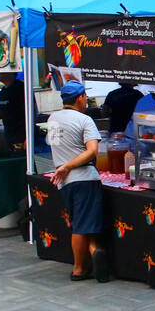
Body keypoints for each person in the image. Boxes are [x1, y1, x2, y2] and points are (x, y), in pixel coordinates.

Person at [46, 80, 109, 283]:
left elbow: (55, 147)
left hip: (65, 182)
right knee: (82, 226)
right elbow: (92, 151)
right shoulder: (84, 120)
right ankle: (78, 269)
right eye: (85, 97)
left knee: (82, 221)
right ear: (80, 98)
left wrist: (63, 166)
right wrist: (69, 166)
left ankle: (94, 252)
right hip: (83, 177)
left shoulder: (52, 119)